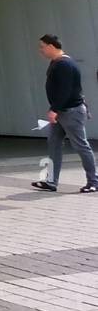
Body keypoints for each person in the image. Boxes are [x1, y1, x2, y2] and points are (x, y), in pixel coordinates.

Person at [32, 34, 97, 193]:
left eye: (42, 46)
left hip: (70, 111)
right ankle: (51, 182)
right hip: (62, 111)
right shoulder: (58, 63)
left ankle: (93, 181)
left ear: (51, 46)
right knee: (54, 144)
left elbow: (65, 90)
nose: (40, 50)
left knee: (81, 146)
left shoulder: (64, 65)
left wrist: (54, 109)